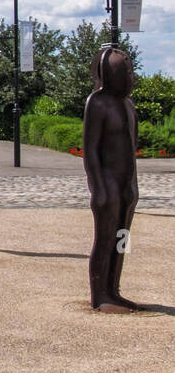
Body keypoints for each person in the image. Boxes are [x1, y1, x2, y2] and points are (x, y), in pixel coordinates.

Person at [82, 47, 140, 312]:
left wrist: (133, 187)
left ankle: (114, 288)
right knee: (105, 239)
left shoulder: (128, 106)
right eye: (123, 71)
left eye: (129, 71)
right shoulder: (98, 103)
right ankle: (100, 293)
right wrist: (99, 188)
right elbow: (91, 151)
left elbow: (131, 151)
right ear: (108, 74)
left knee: (122, 238)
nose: (129, 76)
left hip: (126, 187)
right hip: (107, 185)